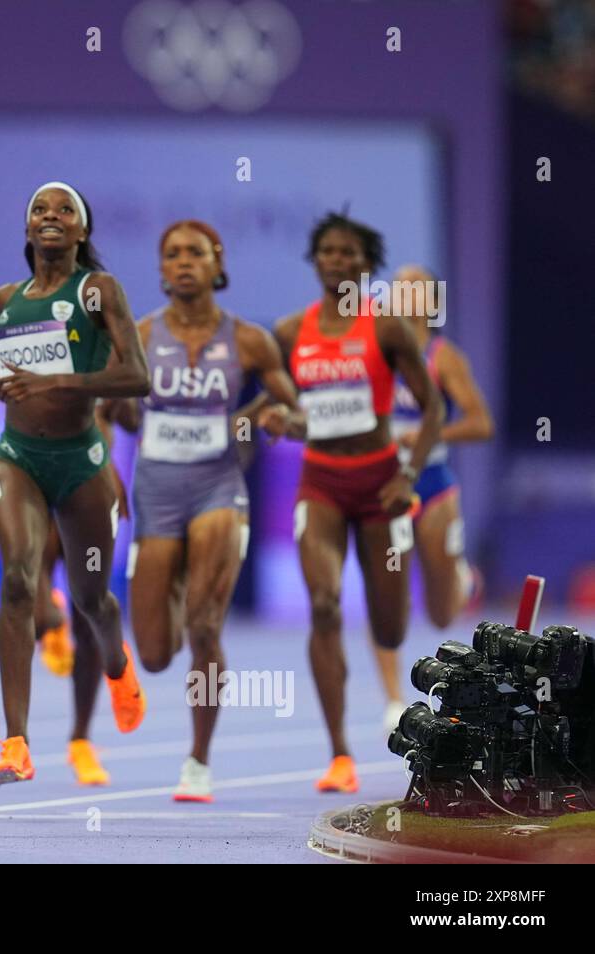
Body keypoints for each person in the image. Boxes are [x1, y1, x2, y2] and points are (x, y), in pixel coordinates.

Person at [0, 182, 149, 785]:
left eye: (64, 210)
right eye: (39, 211)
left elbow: (135, 376)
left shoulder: (99, 292)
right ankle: (16, 742)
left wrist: (57, 384)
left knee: (90, 599)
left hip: (83, 464)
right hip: (17, 459)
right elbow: (0, 371)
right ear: (27, 232)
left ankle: (118, 665)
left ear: (82, 230)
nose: (51, 217)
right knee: (19, 583)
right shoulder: (8, 297)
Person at [103, 220, 301, 802]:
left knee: (205, 626)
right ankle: (175, 583)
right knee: (158, 654)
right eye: (172, 254)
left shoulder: (248, 340)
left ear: (218, 265)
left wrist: (266, 415)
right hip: (156, 495)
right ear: (161, 271)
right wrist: (112, 465)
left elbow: (290, 402)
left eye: (196, 252)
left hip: (219, 487)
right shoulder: (138, 336)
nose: (184, 261)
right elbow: (106, 407)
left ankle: (198, 760)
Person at [258, 212, 444, 793]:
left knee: (388, 627)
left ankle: (392, 677)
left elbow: (433, 410)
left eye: (350, 253)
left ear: (367, 265)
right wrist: (276, 420)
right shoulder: (290, 332)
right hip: (322, 485)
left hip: (382, 486)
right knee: (325, 604)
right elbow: (297, 414)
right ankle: (339, 753)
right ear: (314, 260)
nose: (338, 261)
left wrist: (408, 475)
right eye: (328, 251)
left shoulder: (388, 330)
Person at [0, 379, 125, 784]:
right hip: (32, 476)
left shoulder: (105, 344)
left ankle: (83, 738)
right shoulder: (23, 329)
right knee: (24, 579)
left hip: (86, 481)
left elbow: (136, 408)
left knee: (87, 607)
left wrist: (117, 413)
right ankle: (49, 624)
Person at [372, 264, 494, 731]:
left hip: (435, 483)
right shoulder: (375, 356)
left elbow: (481, 423)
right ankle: (391, 698)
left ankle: (461, 579)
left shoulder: (443, 357)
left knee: (442, 616)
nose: (403, 294)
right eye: (398, 287)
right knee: (386, 592)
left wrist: (425, 433)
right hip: (385, 487)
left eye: (414, 288)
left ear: (430, 303)